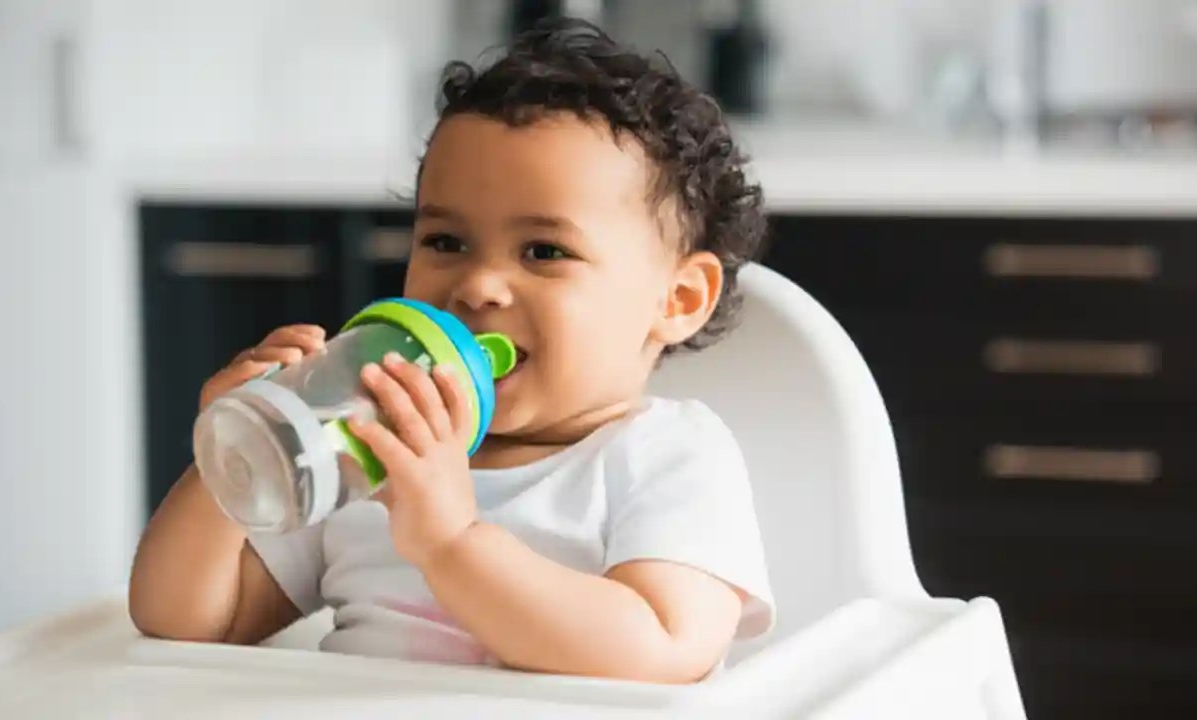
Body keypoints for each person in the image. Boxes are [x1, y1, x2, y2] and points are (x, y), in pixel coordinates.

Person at [129, 18, 773, 684]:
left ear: (677, 298)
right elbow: (193, 622)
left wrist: (451, 544)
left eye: (544, 251)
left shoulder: (669, 455)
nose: (477, 285)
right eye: (446, 242)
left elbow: (660, 650)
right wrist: (225, 468)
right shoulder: (368, 443)